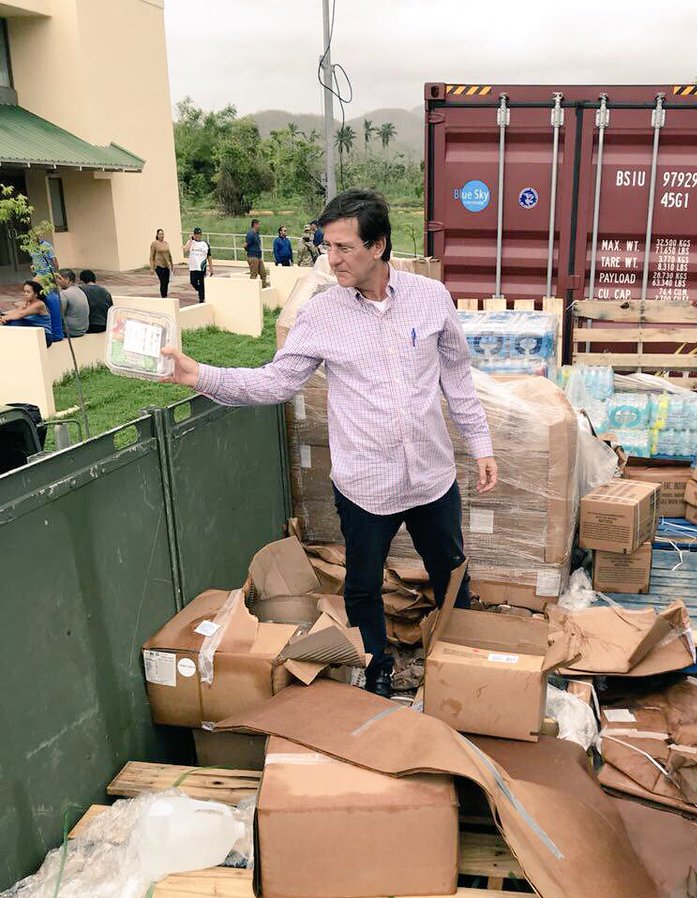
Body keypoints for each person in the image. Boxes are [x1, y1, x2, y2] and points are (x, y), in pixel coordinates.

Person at [160, 188, 497, 698]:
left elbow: (457, 378)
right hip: (366, 485)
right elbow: (276, 382)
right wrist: (199, 374)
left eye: (343, 247)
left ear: (378, 245)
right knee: (362, 587)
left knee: (451, 575)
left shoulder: (431, 300)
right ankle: (377, 665)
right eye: (326, 246)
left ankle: (467, 664)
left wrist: (482, 444)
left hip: (432, 477)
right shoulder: (322, 314)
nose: (330, 259)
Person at [0, 279, 53, 346]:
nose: (25, 294)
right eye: (24, 291)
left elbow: (20, 314)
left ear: (35, 294)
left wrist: (2, 317)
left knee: (16, 323)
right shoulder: (26, 303)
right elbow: (16, 313)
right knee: (11, 321)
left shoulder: (39, 304)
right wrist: (2, 318)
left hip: (44, 336)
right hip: (32, 333)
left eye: (28, 292)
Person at [56, 268, 89, 338]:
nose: (57, 281)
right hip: (83, 329)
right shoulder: (80, 291)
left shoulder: (65, 294)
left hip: (71, 331)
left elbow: (60, 314)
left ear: (67, 279)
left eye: (59, 279)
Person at [78, 270, 113, 334]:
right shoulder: (105, 291)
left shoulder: (80, 290)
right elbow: (111, 308)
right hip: (104, 325)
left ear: (81, 281)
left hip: (89, 326)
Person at [183, 227, 212, 303]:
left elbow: (209, 256)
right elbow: (185, 250)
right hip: (193, 267)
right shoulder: (191, 242)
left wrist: (211, 267)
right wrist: (190, 240)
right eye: (196, 234)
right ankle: (201, 291)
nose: (197, 235)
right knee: (193, 282)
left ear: (201, 234)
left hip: (201, 266)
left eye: (198, 234)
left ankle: (201, 298)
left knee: (202, 282)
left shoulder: (205, 244)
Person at [150, 229, 174, 298]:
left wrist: (172, 265)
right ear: (157, 235)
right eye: (160, 234)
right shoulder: (154, 244)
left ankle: (165, 295)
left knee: (166, 281)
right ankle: (164, 297)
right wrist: (152, 268)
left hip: (166, 266)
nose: (161, 235)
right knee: (163, 281)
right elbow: (152, 256)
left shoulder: (166, 243)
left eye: (162, 234)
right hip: (159, 266)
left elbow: (169, 255)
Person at [244, 218, 268, 286]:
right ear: (255, 225)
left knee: (263, 273)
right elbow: (245, 245)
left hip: (258, 256)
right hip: (253, 256)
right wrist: (250, 251)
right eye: (258, 224)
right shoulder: (251, 234)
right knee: (254, 274)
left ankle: (263, 287)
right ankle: (253, 289)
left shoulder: (256, 234)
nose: (259, 226)